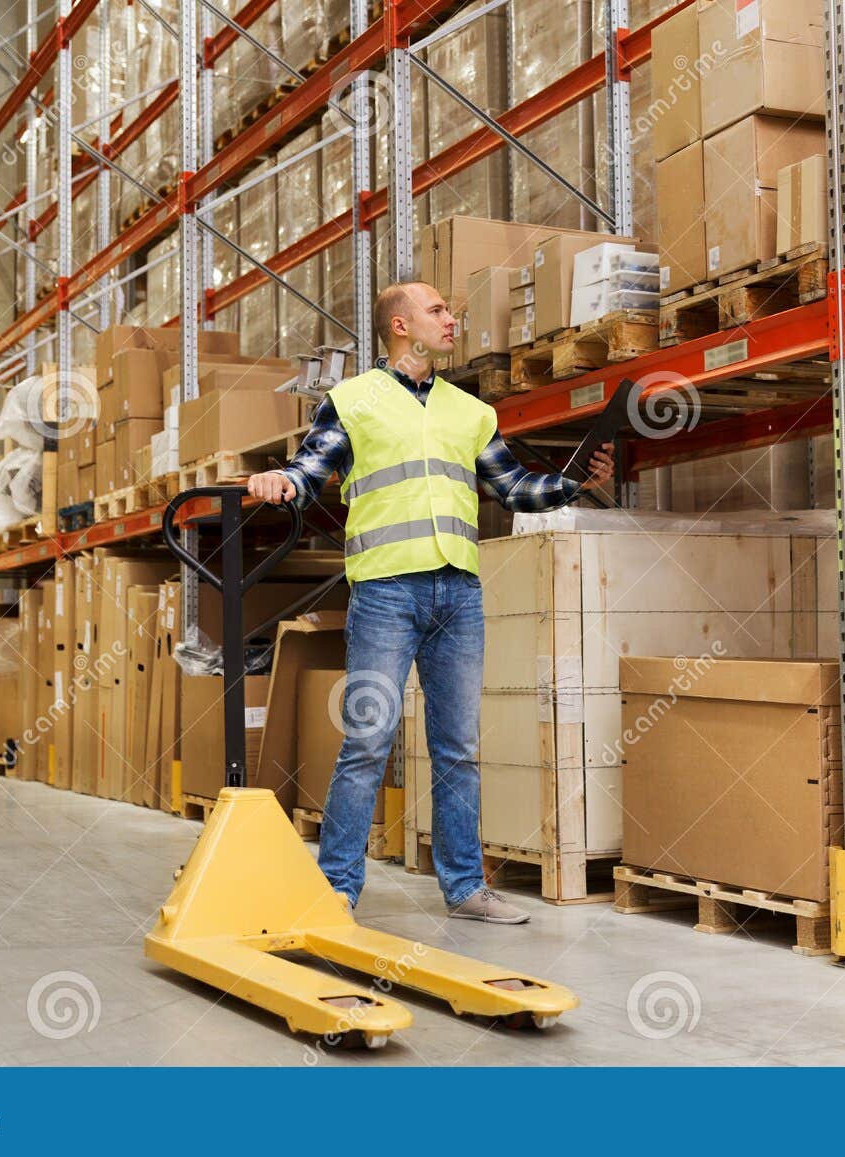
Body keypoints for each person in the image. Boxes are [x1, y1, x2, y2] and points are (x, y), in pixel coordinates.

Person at [245, 281, 613, 923]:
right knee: (369, 739)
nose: (451, 320)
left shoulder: (469, 411)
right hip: (387, 590)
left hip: (458, 593)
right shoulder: (352, 401)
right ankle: (337, 887)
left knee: (457, 746)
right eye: (437, 311)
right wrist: (279, 479)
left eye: (449, 311)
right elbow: (310, 471)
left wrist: (572, 481)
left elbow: (513, 488)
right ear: (399, 324)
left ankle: (466, 888)